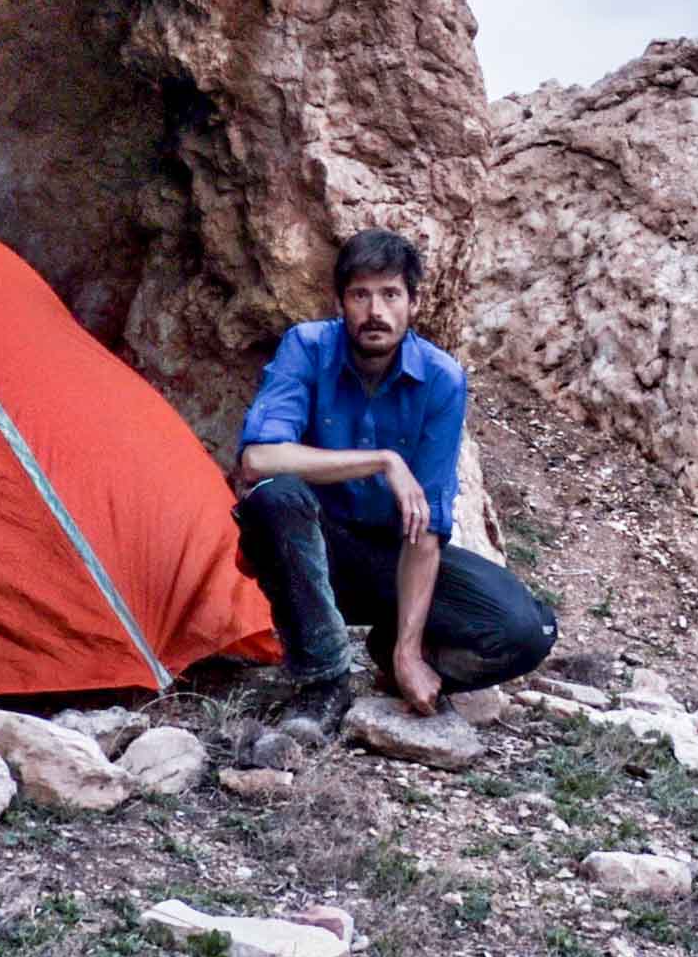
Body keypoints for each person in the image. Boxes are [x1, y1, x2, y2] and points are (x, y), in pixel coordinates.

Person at [233, 228, 555, 739]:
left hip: (393, 556)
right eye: (361, 294)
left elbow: (426, 526)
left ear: (413, 304)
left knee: (526, 629)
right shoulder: (307, 347)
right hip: (314, 550)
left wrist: (407, 650)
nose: (375, 311)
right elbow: (258, 457)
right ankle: (324, 681)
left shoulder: (441, 379)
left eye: (390, 294)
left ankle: (394, 655)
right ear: (340, 301)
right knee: (275, 497)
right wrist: (380, 461)